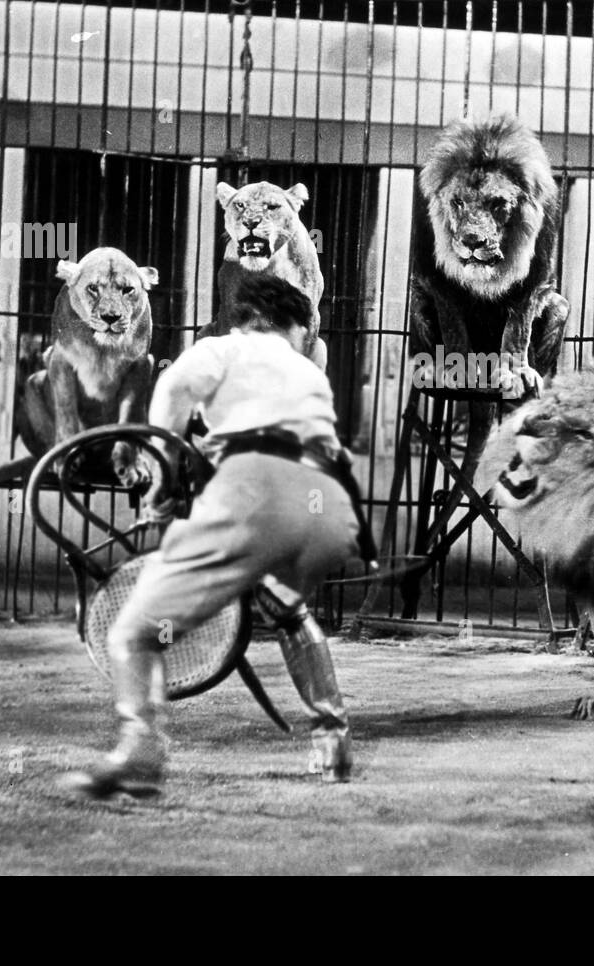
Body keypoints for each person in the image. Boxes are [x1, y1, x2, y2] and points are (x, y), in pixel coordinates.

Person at [60, 271, 364, 799]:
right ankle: (332, 744)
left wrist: (161, 489)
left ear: (246, 321)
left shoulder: (220, 350)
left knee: (132, 634)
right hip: (327, 508)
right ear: (290, 325)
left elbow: (168, 411)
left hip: (255, 491)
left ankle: (141, 751)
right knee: (289, 611)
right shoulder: (306, 370)